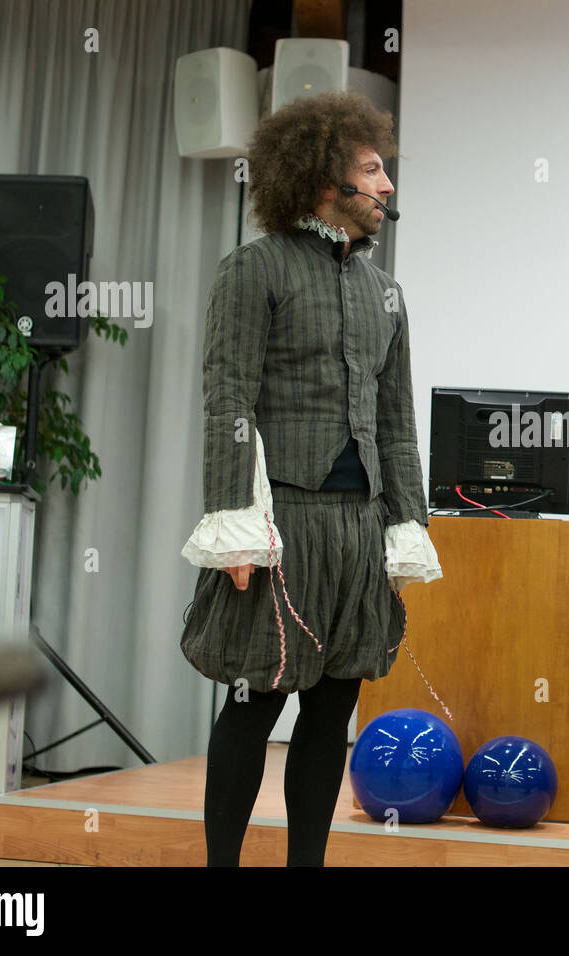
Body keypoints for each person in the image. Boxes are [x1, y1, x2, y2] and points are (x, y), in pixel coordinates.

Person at [178, 91, 441, 867]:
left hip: (358, 528)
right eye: (372, 168)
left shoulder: (385, 293)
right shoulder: (253, 270)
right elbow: (226, 396)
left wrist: (404, 529)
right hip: (278, 520)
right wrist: (232, 524)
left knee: (332, 715)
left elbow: (397, 423)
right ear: (327, 179)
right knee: (252, 705)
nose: (387, 184)